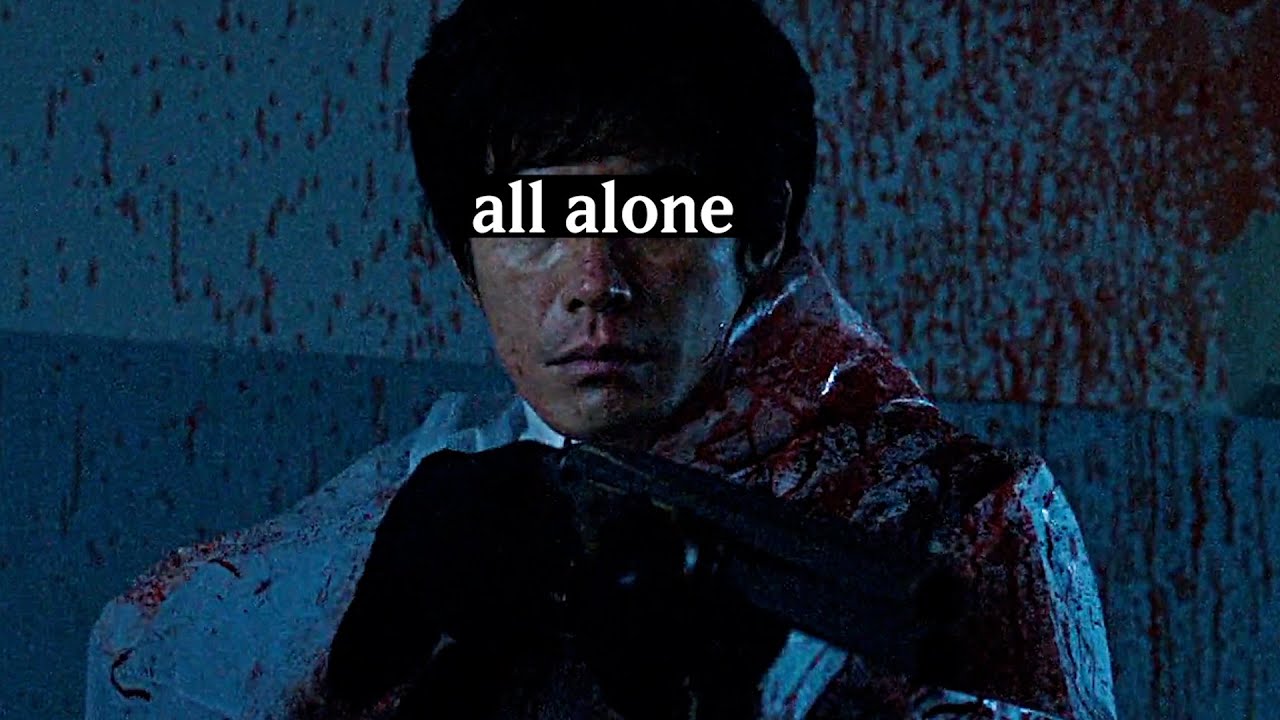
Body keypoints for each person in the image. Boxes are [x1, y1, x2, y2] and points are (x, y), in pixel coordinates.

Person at [83, 0, 1118, 717]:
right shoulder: (426, 496)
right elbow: (130, 662)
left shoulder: (965, 513)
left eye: (657, 213)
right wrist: (365, 623)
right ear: (465, 251)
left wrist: (767, 684)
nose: (594, 279)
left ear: (759, 229)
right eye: (532, 220)